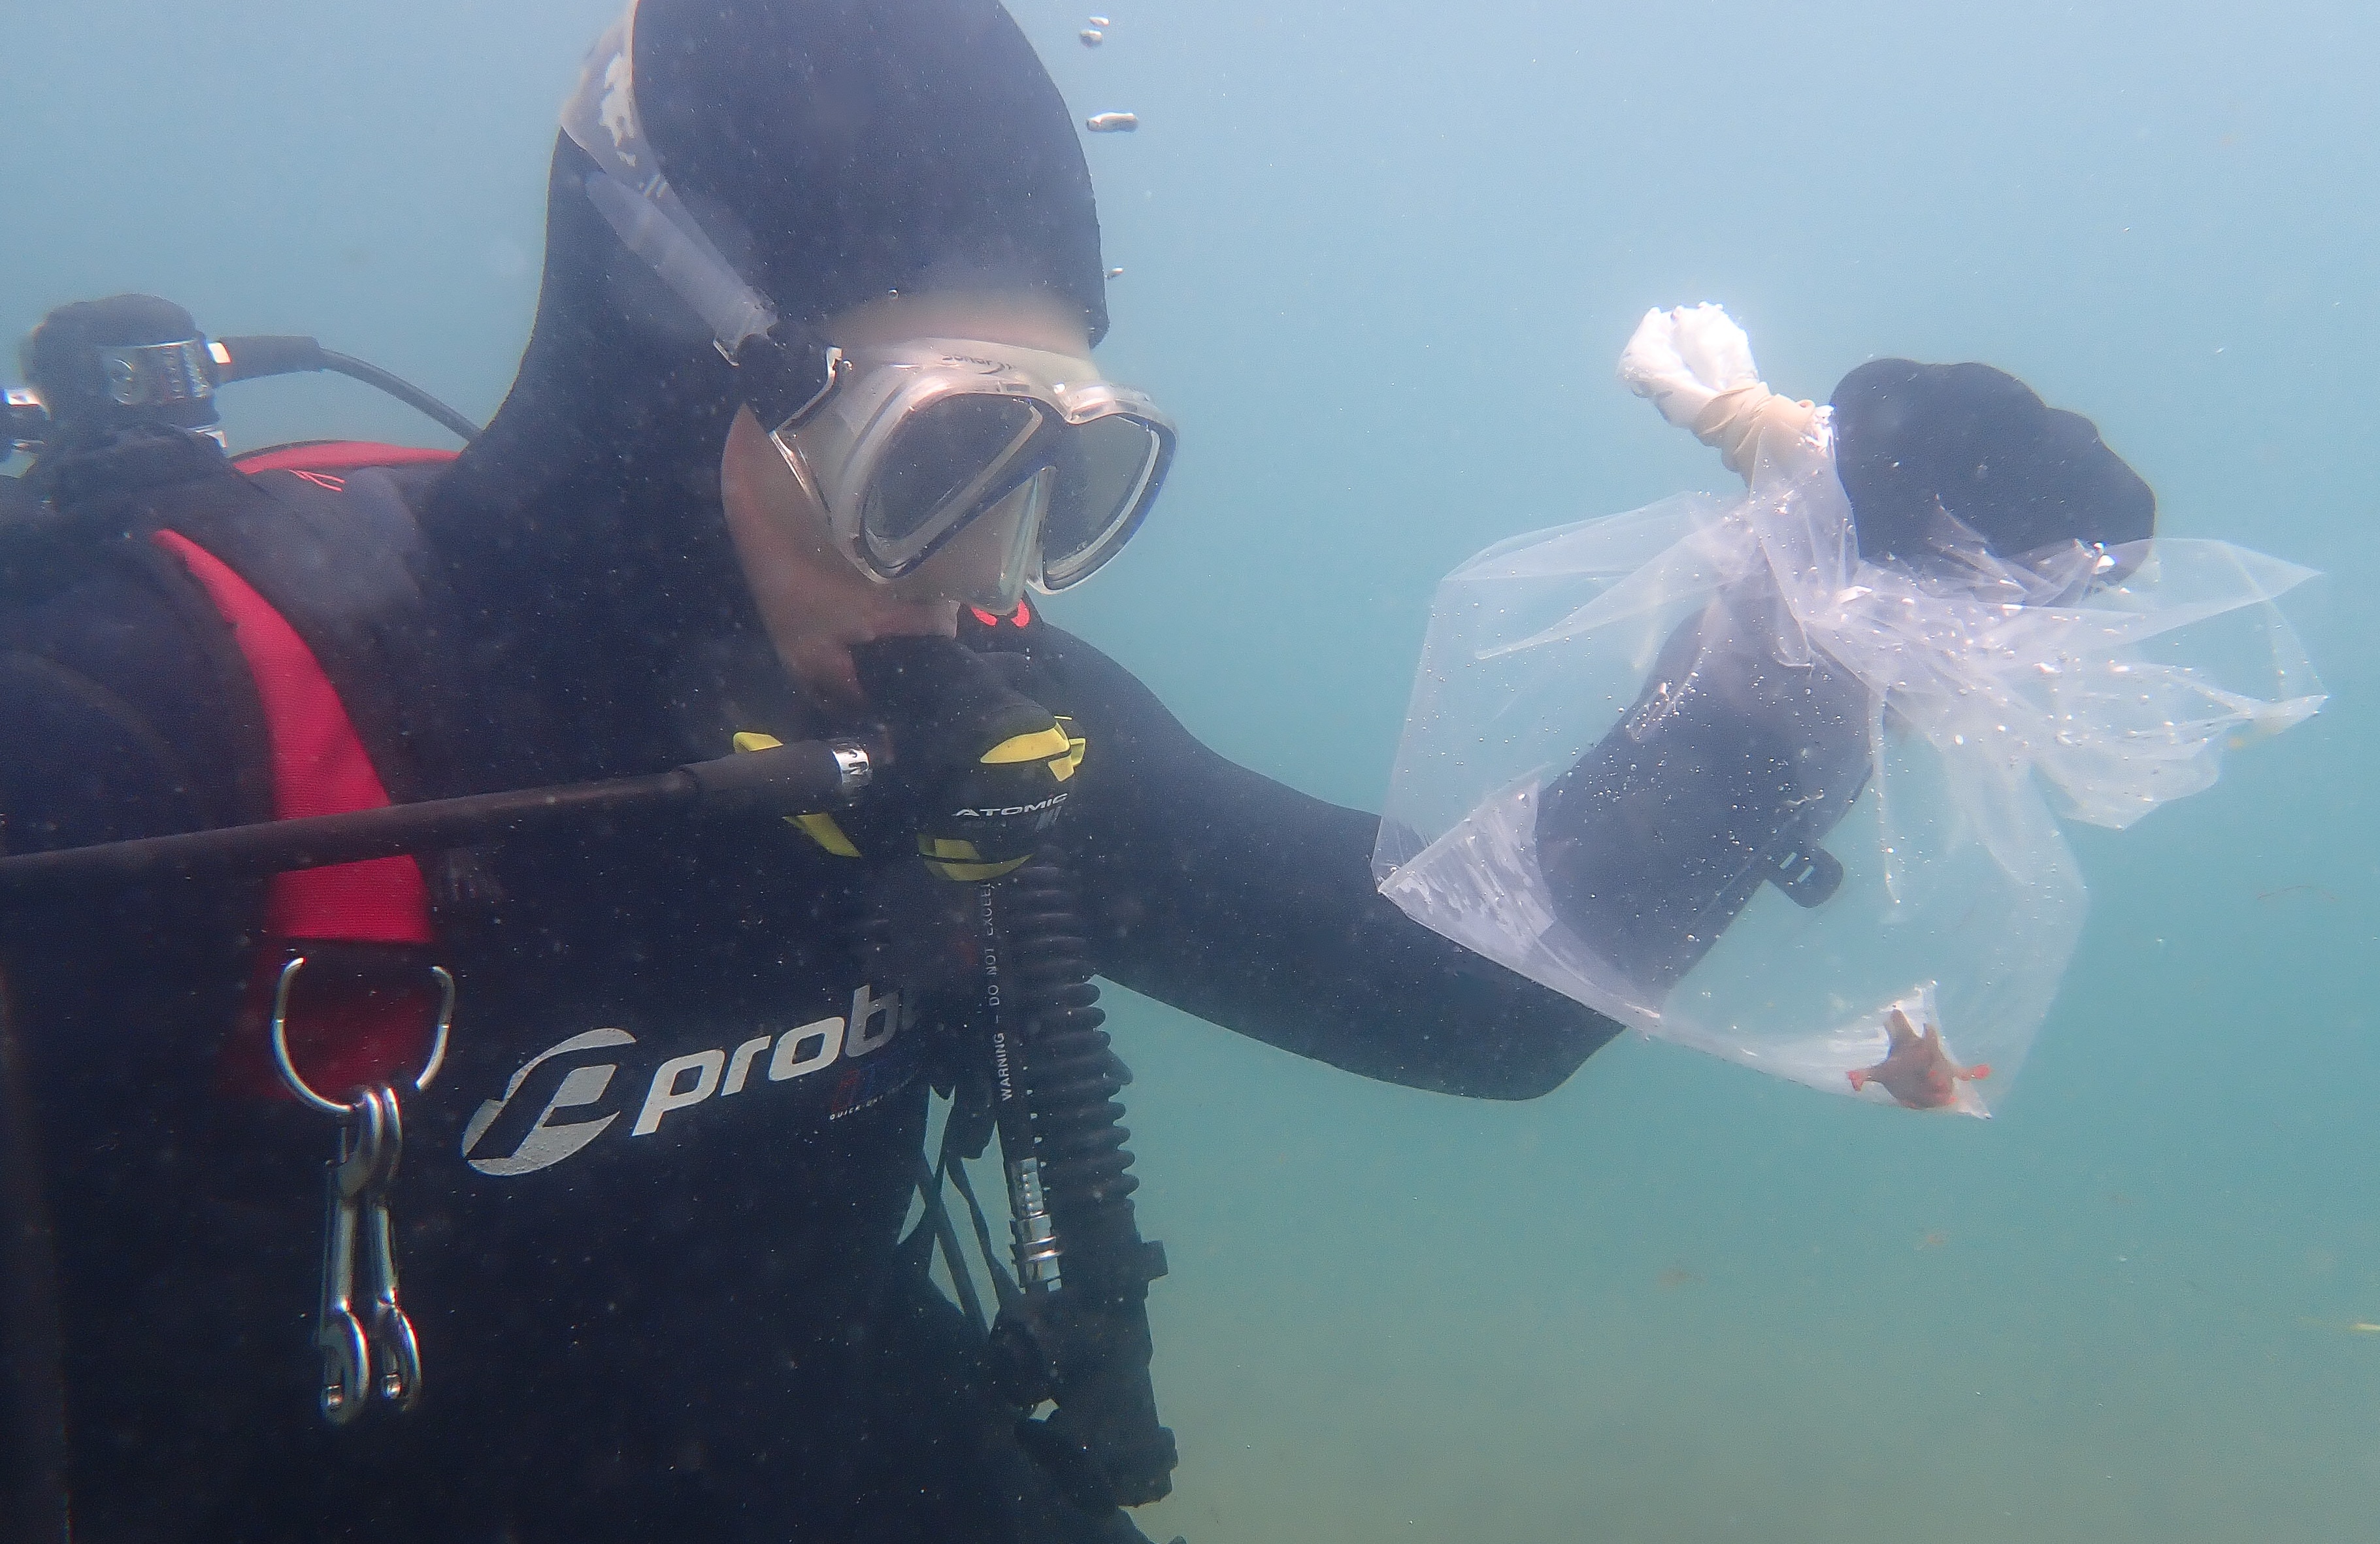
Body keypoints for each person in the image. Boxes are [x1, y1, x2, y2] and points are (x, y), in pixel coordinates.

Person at [0, 3, 1616, 1541]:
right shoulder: (148, 736)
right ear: (670, 380)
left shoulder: (983, 713)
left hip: (828, 1450)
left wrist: (1758, 646)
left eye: (1057, 477)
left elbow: (1488, 1004)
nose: (980, 576)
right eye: (930, 459)